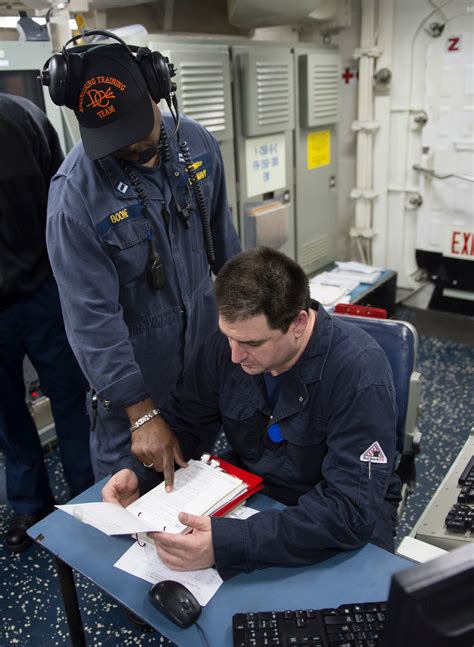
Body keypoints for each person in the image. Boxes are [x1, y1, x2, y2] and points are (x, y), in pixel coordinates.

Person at [103, 247, 402, 580]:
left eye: (253, 343)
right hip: (253, 489)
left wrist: (230, 543)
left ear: (298, 323)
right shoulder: (231, 344)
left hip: (336, 510)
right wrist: (139, 473)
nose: (234, 355)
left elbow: (350, 510)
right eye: (229, 336)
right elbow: (186, 421)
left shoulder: (359, 374)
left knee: (343, 619)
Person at [44, 35, 241, 481]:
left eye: (136, 127)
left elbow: (228, 255)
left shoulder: (199, 145)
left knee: (199, 505)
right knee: (131, 518)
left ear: (157, 88)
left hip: (204, 374)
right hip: (134, 397)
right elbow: (91, 320)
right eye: (114, 138)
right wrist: (141, 413)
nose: (131, 146)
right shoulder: (74, 197)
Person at [0, 93, 94, 553]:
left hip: (44, 290)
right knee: (6, 412)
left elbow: (64, 198)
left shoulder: (23, 119)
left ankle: (86, 499)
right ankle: (29, 502)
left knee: (70, 400)